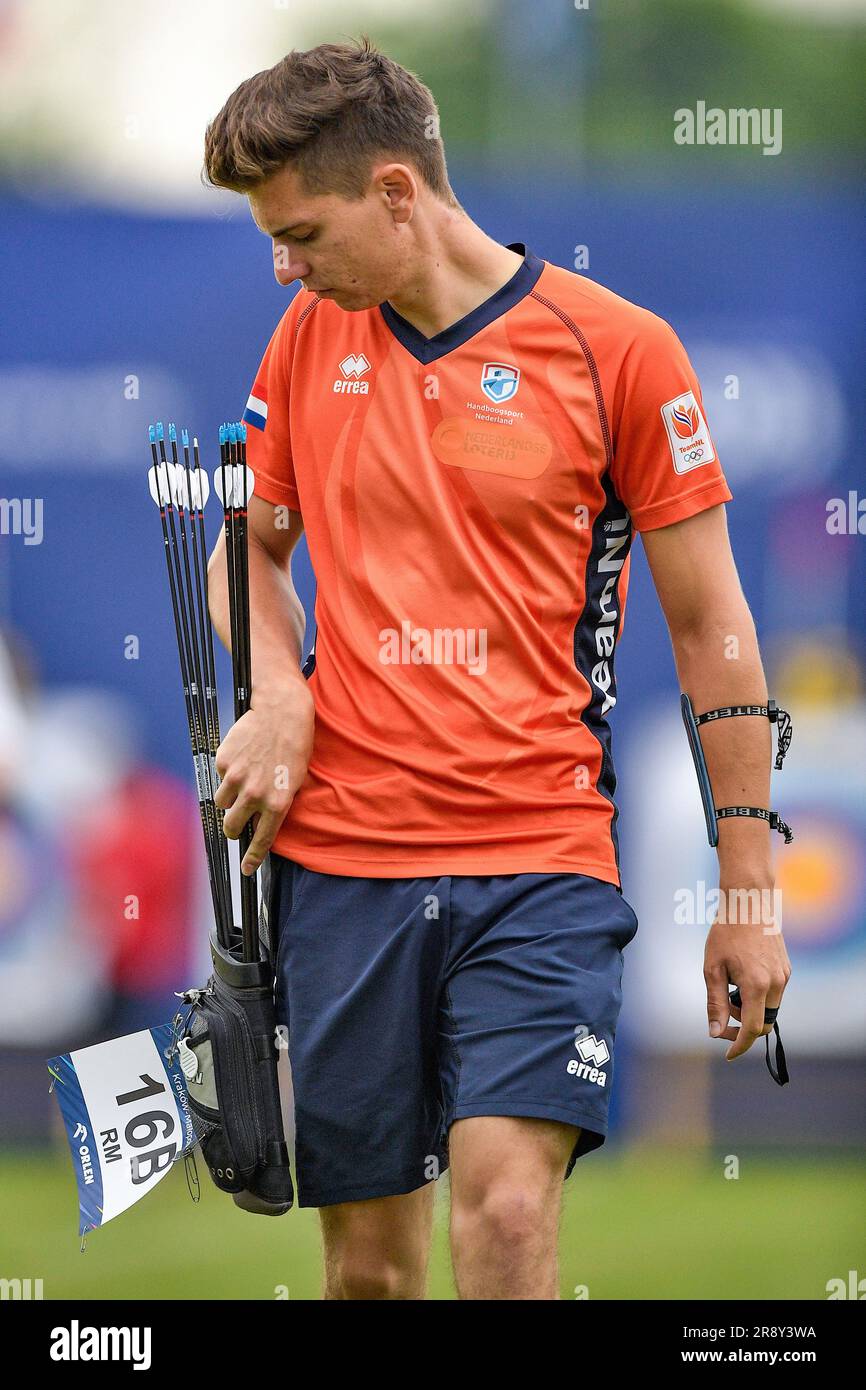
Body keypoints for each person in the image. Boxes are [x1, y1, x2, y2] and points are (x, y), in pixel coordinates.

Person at [203, 38, 791, 1300]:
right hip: (345, 864)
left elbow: (713, 628)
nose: (283, 264)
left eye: (302, 231)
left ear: (398, 193)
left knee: (510, 1213)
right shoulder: (306, 339)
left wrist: (747, 886)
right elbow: (245, 552)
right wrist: (279, 686)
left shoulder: (621, 350)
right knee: (368, 1274)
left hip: (540, 859)